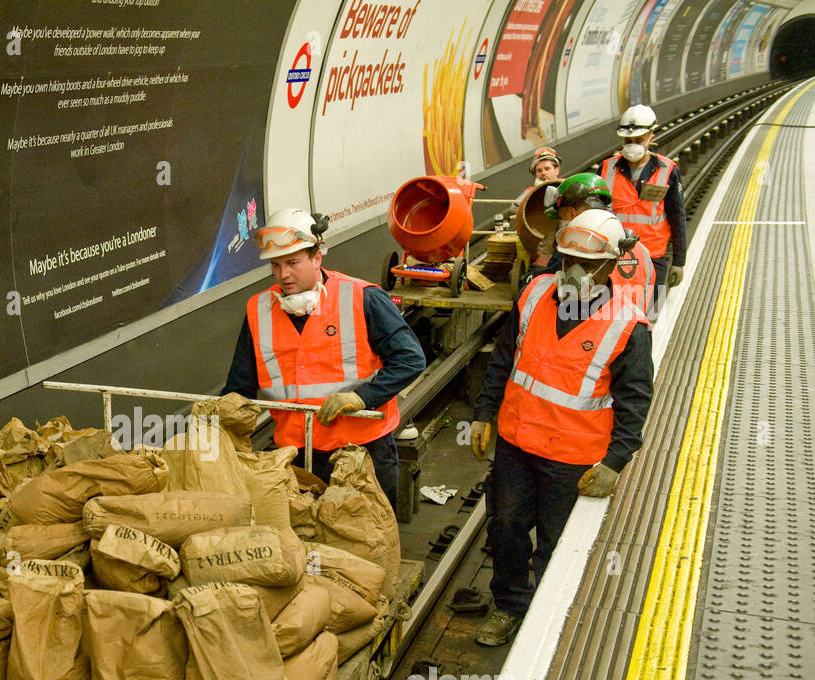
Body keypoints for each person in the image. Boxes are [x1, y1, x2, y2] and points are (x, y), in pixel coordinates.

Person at [468, 209, 654, 647]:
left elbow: (635, 401)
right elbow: (503, 356)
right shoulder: (533, 294)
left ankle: (549, 623)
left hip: (572, 458)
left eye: (587, 265)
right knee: (507, 527)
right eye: (568, 259)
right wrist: (483, 411)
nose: (573, 272)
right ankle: (510, 606)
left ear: (610, 265)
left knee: (557, 542)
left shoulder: (628, 326)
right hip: (517, 442)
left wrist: (615, 461)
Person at [222, 207, 426, 508]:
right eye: (276, 266)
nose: (284, 274)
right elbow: (240, 386)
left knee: (369, 543)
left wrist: (362, 398)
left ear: (317, 257)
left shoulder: (362, 297)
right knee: (308, 545)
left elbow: (410, 359)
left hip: (362, 453)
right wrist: (219, 421)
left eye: (293, 262)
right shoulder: (258, 310)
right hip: (295, 456)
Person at [531, 172, 656, 316]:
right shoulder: (641, 251)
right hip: (630, 327)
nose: (560, 223)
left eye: (560, 217)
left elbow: (550, 290)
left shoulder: (575, 251)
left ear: (572, 214)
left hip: (593, 331)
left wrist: (532, 273)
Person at [600, 104, 686, 313]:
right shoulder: (607, 168)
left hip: (652, 259)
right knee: (612, 315)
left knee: (643, 316)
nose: (632, 145)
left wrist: (679, 261)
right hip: (614, 257)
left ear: (651, 137)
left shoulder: (667, 170)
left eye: (639, 140)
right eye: (628, 141)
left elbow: (677, 216)